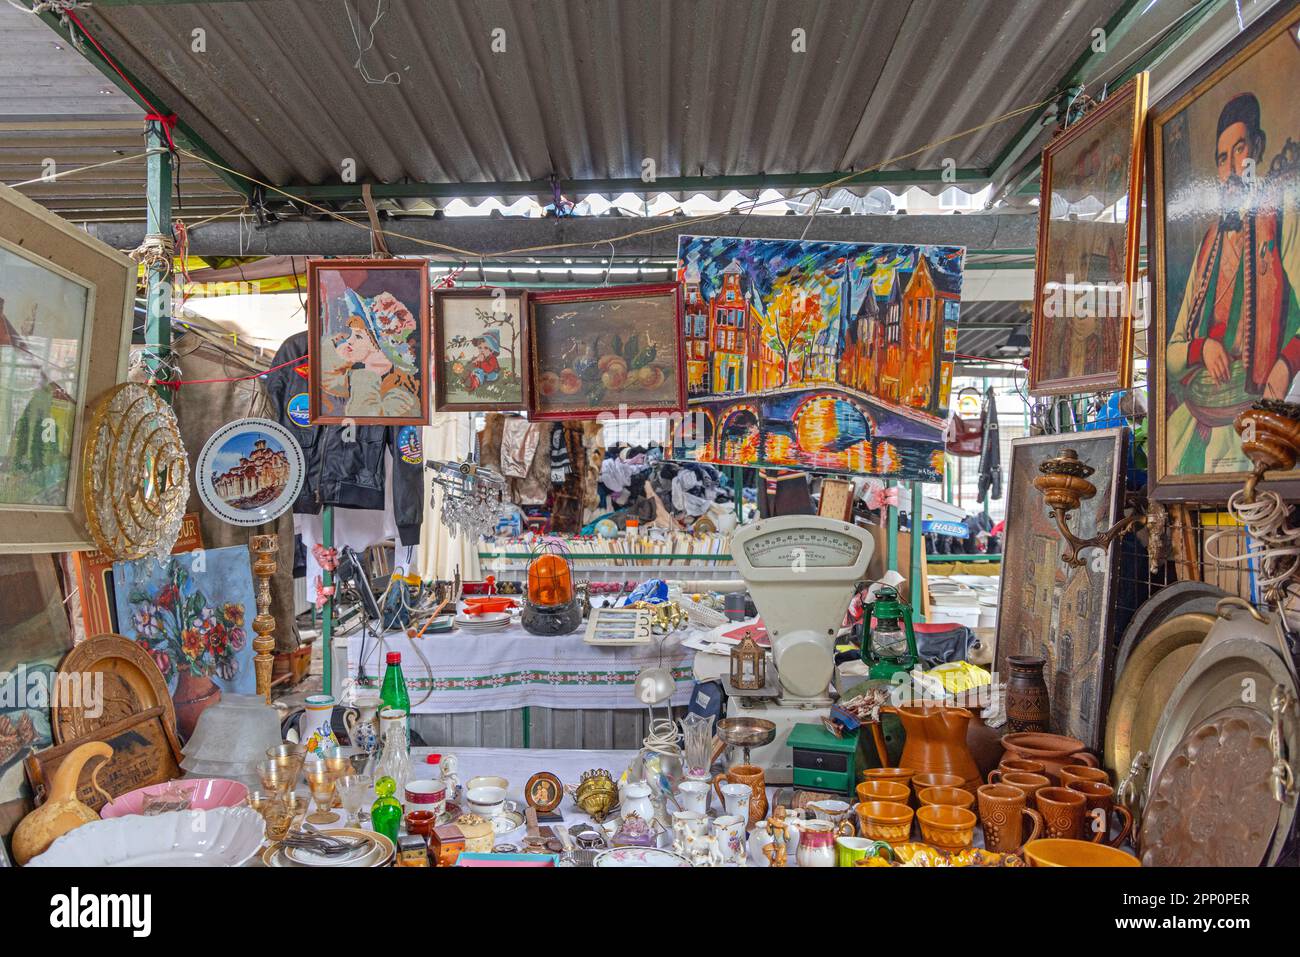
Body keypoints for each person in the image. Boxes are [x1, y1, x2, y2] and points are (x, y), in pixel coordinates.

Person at [1165, 92, 1300, 476]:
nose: (1230, 169)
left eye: (1238, 150)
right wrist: (1203, 347)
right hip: (1199, 417)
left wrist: (1285, 365)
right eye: (1222, 159)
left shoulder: (1283, 216)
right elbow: (1172, 353)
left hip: (1258, 420)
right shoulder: (1211, 242)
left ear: (1257, 147)